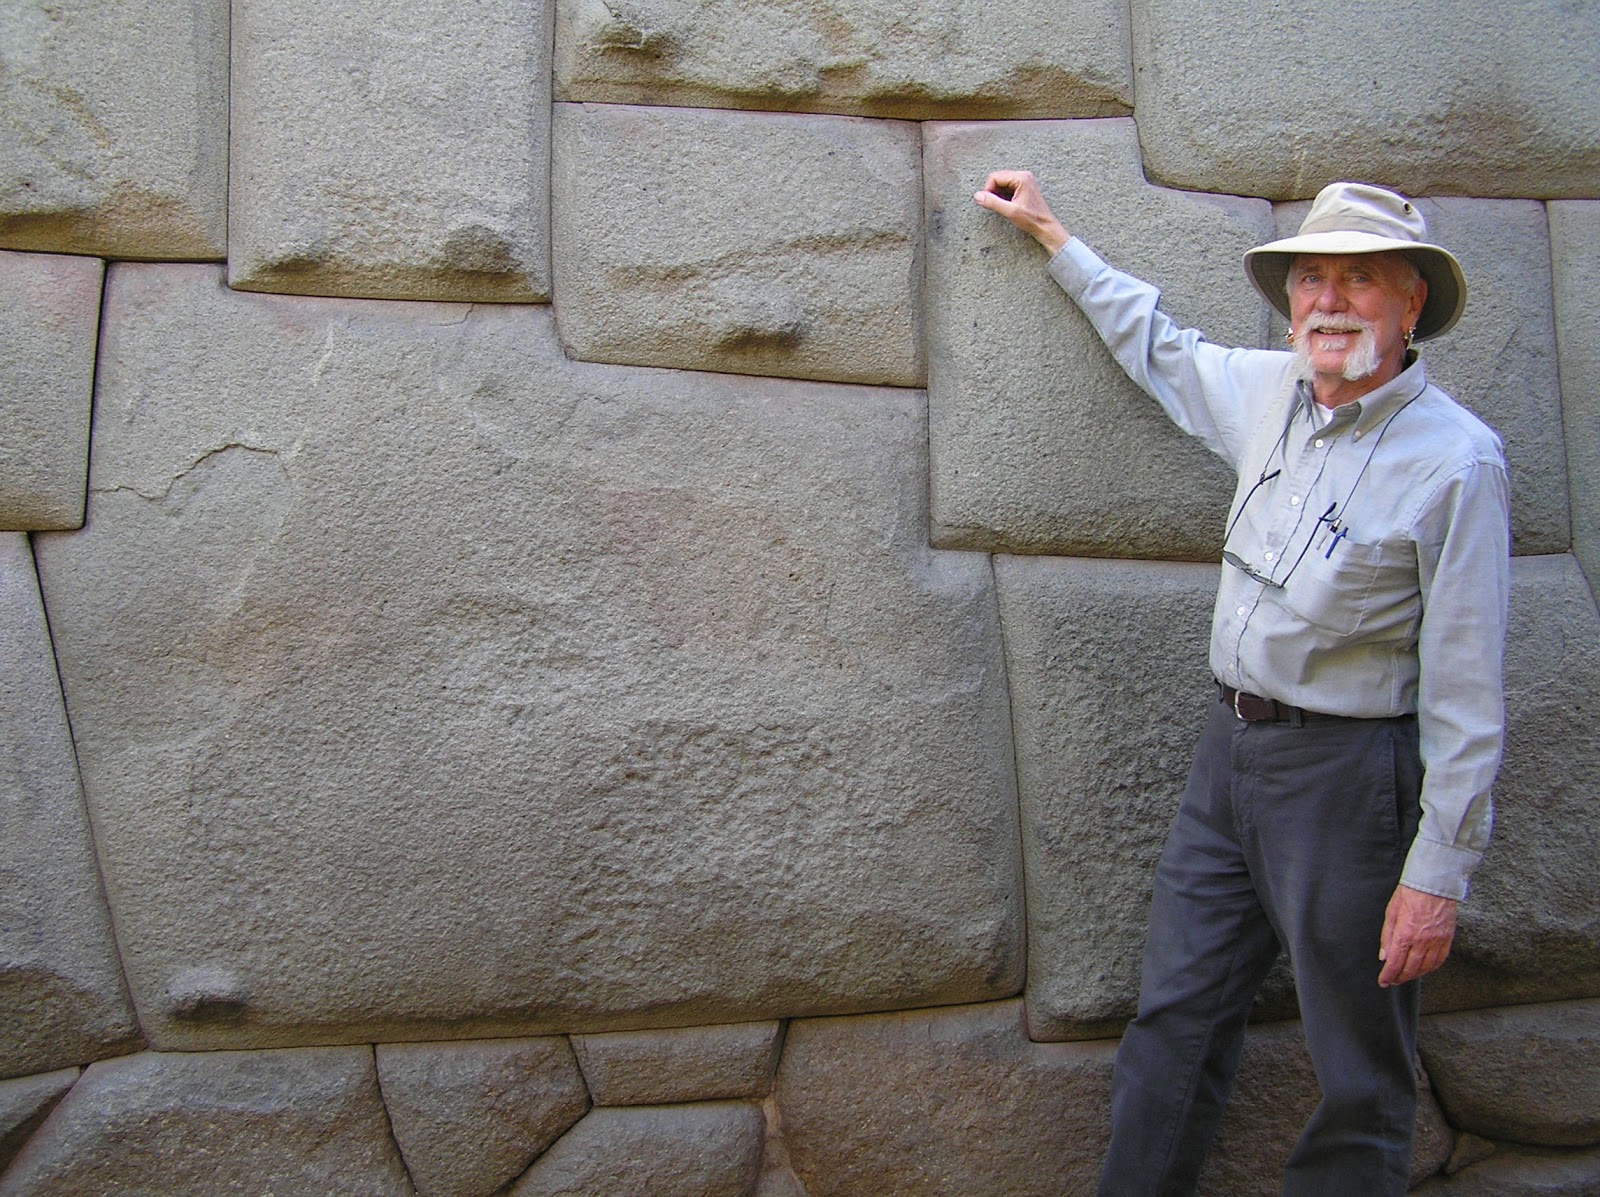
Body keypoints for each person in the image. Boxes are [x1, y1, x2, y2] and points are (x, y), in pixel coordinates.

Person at [973, 176, 1509, 1194]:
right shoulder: (1266, 392)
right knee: (1174, 1018)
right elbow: (1159, 347)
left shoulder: (1458, 463)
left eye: (1361, 280)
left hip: (1348, 784)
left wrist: (1437, 871)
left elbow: (1467, 690)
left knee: (1358, 1067)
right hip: (1226, 763)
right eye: (1312, 277)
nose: (1329, 299)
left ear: (1410, 306)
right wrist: (1053, 235)